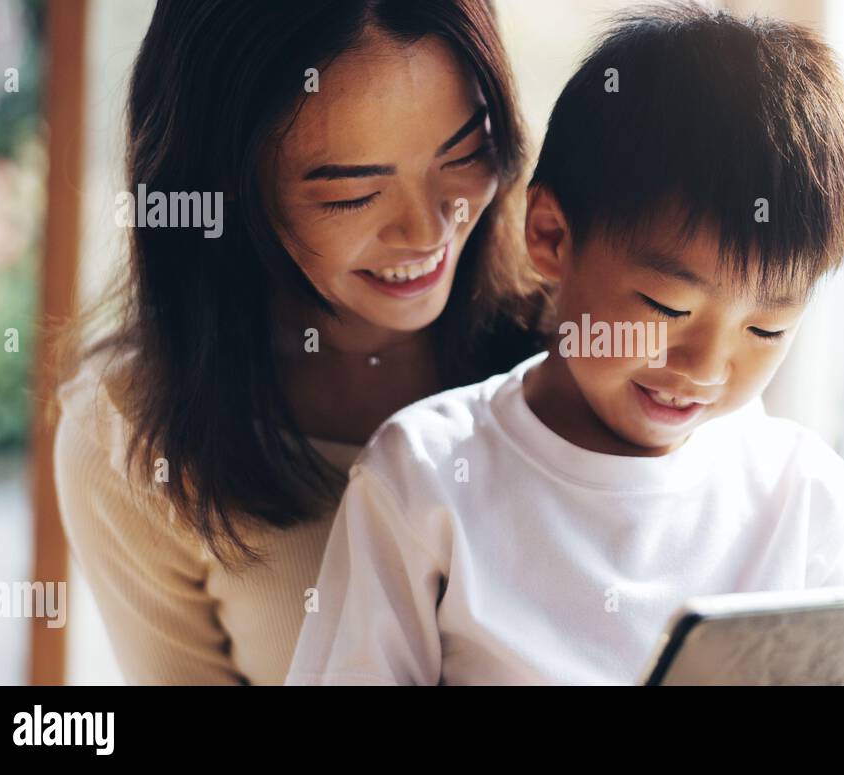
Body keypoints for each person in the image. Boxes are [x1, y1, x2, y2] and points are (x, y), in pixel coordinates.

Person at [285, 3, 844, 686]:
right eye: (667, 308)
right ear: (548, 235)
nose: (706, 368)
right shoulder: (423, 477)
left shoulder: (806, 496)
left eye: (766, 330)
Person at [54, 0, 547, 685]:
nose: (426, 231)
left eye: (463, 154)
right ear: (222, 188)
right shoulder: (132, 437)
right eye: (352, 195)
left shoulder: (585, 338)